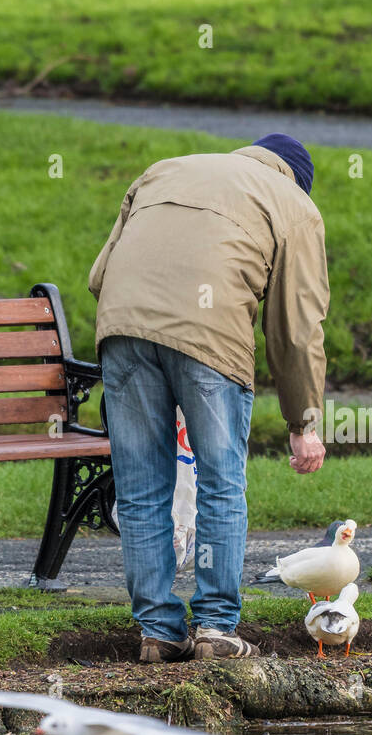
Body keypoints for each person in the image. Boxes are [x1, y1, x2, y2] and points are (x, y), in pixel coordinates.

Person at [89, 133, 329, 662]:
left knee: (140, 487)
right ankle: (217, 628)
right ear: (296, 180)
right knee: (220, 482)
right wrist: (303, 422)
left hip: (122, 331)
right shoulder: (295, 206)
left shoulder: (164, 168)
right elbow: (296, 330)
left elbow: (98, 275)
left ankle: (158, 631)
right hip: (209, 340)